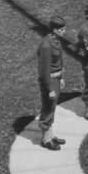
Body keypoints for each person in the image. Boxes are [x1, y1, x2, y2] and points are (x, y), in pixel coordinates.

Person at [36, 15, 67, 151]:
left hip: (56, 78)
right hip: (49, 81)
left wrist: (61, 78)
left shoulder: (55, 40)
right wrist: (50, 88)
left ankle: (50, 134)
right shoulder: (46, 45)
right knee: (48, 108)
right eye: (61, 29)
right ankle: (46, 139)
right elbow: (44, 70)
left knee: (52, 107)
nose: (64, 31)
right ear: (54, 29)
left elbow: (58, 61)